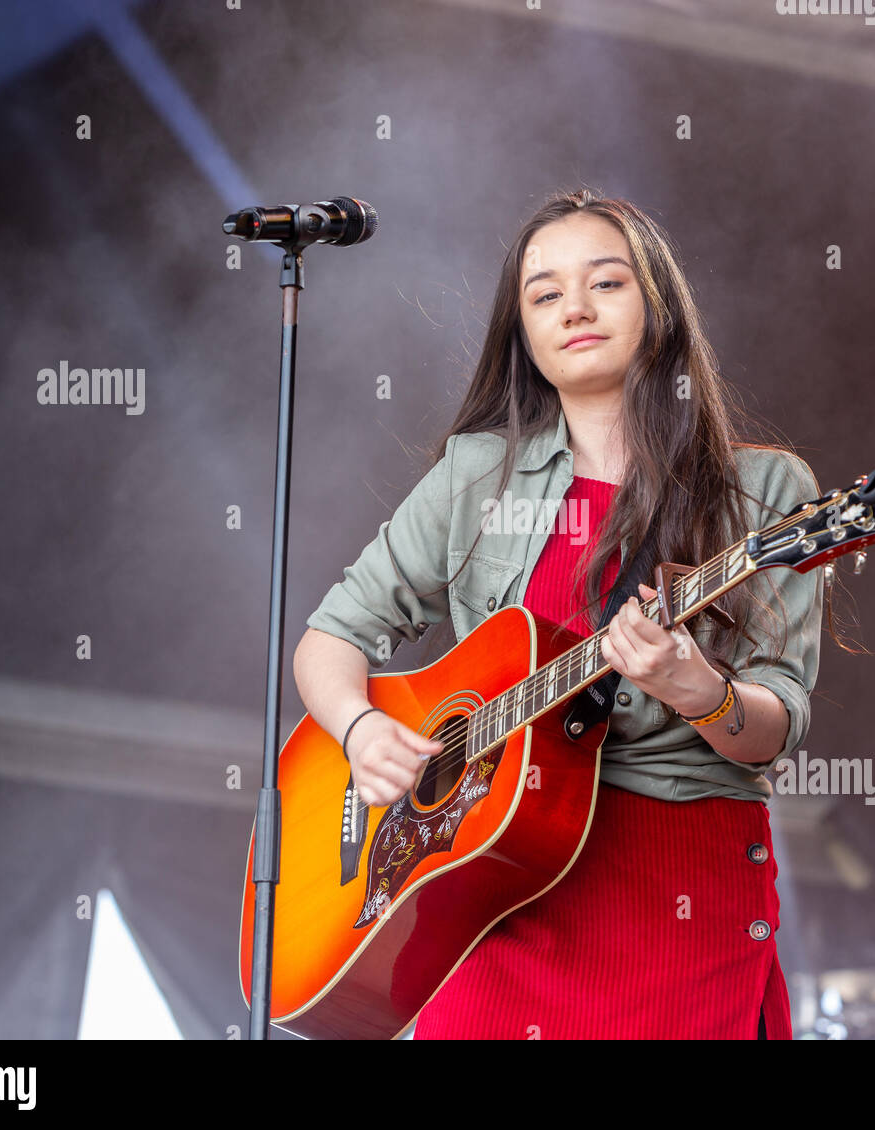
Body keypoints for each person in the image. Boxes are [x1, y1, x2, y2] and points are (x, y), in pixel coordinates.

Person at [294, 188, 829, 1040]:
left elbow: (774, 727)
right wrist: (361, 733)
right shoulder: (476, 478)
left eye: (606, 284)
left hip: (672, 895)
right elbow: (332, 638)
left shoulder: (765, 493)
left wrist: (698, 689)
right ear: (524, 334)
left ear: (659, 309)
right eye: (544, 295)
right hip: (495, 896)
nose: (574, 308)